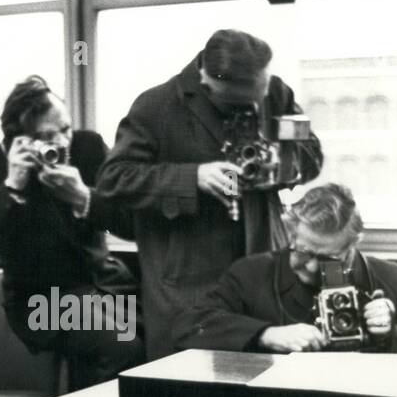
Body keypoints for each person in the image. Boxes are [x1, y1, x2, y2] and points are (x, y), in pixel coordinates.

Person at [96, 29, 324, 359]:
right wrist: (193, 178)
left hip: (265, 275)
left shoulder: (276, 96)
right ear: (206, 80)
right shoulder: (157, 107)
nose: (254, 108)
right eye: (238, 103)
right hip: (191, 289)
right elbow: (113, 180)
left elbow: (311, 155)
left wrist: (283, 164)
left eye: (258, 99)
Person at [0, 75, 143, 388]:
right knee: (123, 346)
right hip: (42, 303)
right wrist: (11, 188)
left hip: (108, 286)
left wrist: (85, 198)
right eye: (46, 136)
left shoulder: (88, 148)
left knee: (167, 337)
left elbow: (133, 223)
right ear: (17, 141)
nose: (61, 143)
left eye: (65, 129)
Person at [175, 182, 397, 355]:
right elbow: (188, 330)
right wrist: (266, 335)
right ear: (291, 234)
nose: (310, 267)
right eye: (303, 251)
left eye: (328, 259)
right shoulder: (250, 275)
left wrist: (388, 334)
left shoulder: (391, 280)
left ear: (353, 245)